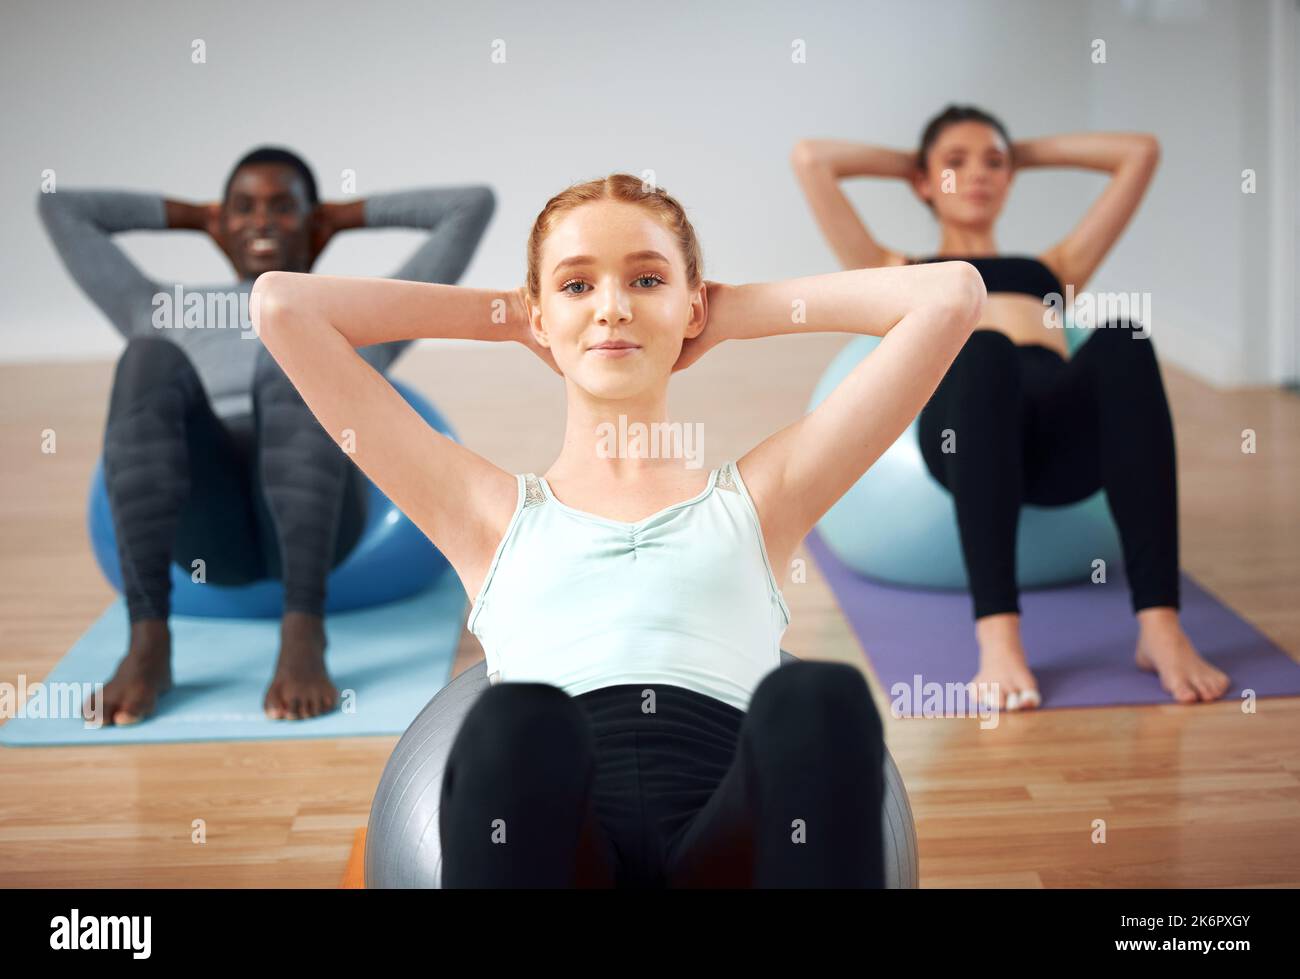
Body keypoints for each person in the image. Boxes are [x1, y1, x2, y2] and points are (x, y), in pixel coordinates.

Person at [249, 173, 983, 887]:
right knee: (517, 722)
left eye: (645, 280)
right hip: (554, 829)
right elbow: (283, 306)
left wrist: (729, 311)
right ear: (538, 314)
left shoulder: (761, 499)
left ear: (692, 305)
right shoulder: (487, 515)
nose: (612, 308)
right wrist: (504, 315)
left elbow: (951, 295)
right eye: (576, 285)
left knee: (820, 700)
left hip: (731, 830)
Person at [791, 104, 1231, 710]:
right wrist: (923, 166)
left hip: (1058, 456)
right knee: (987, 349)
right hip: (963, 440)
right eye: (957, 164)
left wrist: (1015, 155)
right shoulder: (901, 272)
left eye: (993, 164)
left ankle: (1160, 628)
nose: (978, 174)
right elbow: (813, 159)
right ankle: (999, 638)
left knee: (1125, 338)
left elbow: (1140, 152)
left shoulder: (1051, 269)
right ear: (922, 180)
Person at [39, 146, 495, 725]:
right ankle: (148, 643)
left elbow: (470, 206)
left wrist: (339, 218)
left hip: (323, 522)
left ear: (313, 221)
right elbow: (61, 209)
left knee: (295, 340)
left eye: (283, 208)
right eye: (243, 208)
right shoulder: (164, 307)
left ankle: (304, 632)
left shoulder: (350, 311)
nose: (260, 220)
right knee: (146, 357)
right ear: (221, 222)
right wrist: (196, 216)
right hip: (210, 529)